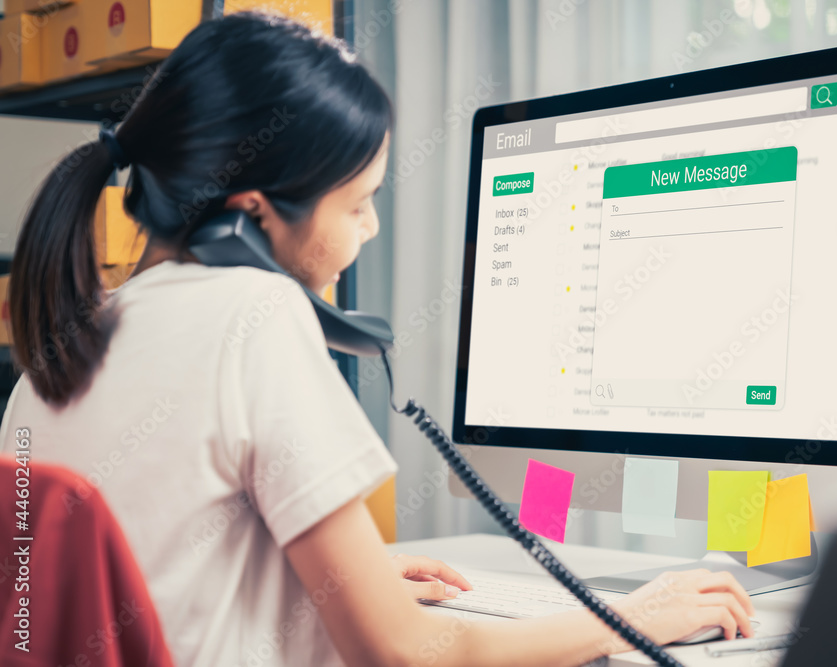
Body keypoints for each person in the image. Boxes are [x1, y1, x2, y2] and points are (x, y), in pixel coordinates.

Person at [0, 12, 754, 667]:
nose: (372, 229)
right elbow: (400, 652)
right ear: (250, 218)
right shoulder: (255, 313)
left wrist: (326, 580)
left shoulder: (60, 348)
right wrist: (632, 619)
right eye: (358, 204)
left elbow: (160, 573)